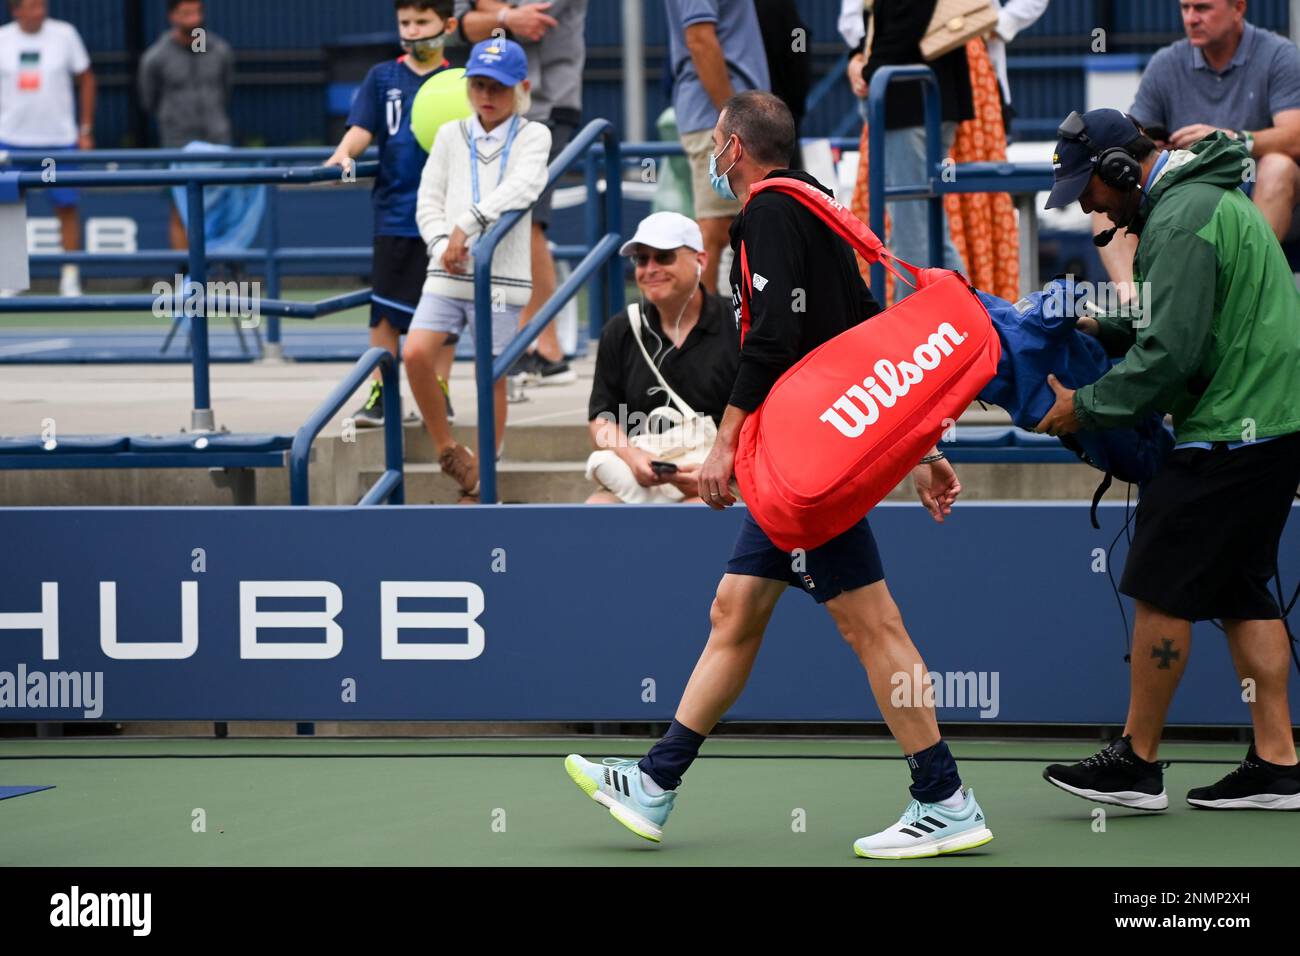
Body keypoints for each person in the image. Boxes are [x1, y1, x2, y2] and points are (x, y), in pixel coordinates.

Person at [565, 91, 994, 859]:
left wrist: (727, 445)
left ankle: (945, 796)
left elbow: (771, 339)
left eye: (717, 148)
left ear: (733, 146)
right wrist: (921, 447)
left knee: (873, 626)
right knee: (735, 609)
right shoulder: (822, 205)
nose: (713, 161)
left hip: (805, 459)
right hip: (817, 449)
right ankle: (657, 782)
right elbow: (870, 330)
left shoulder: (765, 211)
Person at [1037, 108, 1300, 811]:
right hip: (1269, 422)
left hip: (1232, 429)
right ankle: (1279, 764)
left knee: (1158, 581)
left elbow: (1171, 354)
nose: (1088, 203)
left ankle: (1137, 762)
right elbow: (1175, 319)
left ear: (1123, 169)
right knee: (1241, 590)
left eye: (1089, 187)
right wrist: (1099, 322)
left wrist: (1083, 407)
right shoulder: (1196, 203)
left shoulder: (1179, 219)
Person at [404, 38, 550, 502]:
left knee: (491, 376)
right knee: (414, 353)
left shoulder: (534, 135)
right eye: (479, 85)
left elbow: (524, 187)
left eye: (499, 87)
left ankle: (485, 473)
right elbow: (427, 200)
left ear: (522, 88)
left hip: (500, 280)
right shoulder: (450, 134)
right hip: (446, 270)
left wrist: (464, 228)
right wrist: (442, 242)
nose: (487, 95)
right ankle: (450, 451)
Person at [1095, 0, 1300, 298]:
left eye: (1202, 8)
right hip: (1183, 201)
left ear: (1238, 8)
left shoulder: (1279, 55)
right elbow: (1133, 139)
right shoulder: (1166, 63)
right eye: (1185, 8)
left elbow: (1295, 137)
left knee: (1279, 166)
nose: (1191, 18)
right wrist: (1153, 145)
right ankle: (1137, 306)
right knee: (1108, 187)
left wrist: (1232, 138)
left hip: (1256, 200)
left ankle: (1234, 292)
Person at [326, 0, 458, 429]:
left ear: (448, 25)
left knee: (444, 310)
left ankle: (437, 393)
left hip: (447, 219)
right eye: (405, 22)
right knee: (384, 312)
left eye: (423, 22)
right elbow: (362, 128)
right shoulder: (382, 78)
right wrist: (345, 153)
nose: (414, 30)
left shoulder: (462, 82)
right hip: (395, 214)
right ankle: (382, 395)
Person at [455, 0, 585, 387]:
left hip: (548, 107)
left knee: (527, 222)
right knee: (507, 224)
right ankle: (523, 346)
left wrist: (492, 13)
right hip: (492, 108)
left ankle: (546, 351)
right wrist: (503, 16)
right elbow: (461, 26)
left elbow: (534, 20)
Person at [586, 212, 737, 504]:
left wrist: (724, 466)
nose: (650, 268)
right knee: (598, 508)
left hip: (724, 473)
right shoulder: (621, 330)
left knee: (701, 509)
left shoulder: (738, 324)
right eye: (642, 260)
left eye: (664, 257)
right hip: (644, 473)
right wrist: (633, 457)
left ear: (701, 261)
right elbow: (601, 419)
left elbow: (765, 417)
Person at [845, 0, 972, 303]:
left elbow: (903, 27)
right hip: (920, 102)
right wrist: (857, 58)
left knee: (912, 231)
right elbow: (884, 26)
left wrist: (867, 67)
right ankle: (973, 317)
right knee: (927, 227)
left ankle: (918, 320)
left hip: (912, 105)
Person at [664, 0, 770, 294]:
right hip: (719, 119)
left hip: (722, 117)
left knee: (726, 227)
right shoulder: (729, 123)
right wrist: (734, 120)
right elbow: (699, 39)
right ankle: (700, 335)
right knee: (716, 229)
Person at [0, 0, 95, 297]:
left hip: (58, 142)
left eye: (41, 5)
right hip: (12, 142)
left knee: (66, 207)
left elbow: (87, 77)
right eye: (31, 6)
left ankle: (69, 276)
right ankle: (10, 278)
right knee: (9, 210)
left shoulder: (65, 34)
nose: (39, 11)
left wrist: (85, 129)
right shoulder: (2, 39)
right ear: (16, 11)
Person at [138, 0, 234, 252]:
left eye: (197, 12)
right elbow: (150, 99)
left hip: (217, 139)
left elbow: (225, 89)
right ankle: (186, 274)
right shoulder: (156, 57)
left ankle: (224, 270)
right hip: (178, 143)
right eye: (186, 13)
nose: (193, 19)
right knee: (180, 209)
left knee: (222, 207)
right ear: (172, 17)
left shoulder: (220, 51)